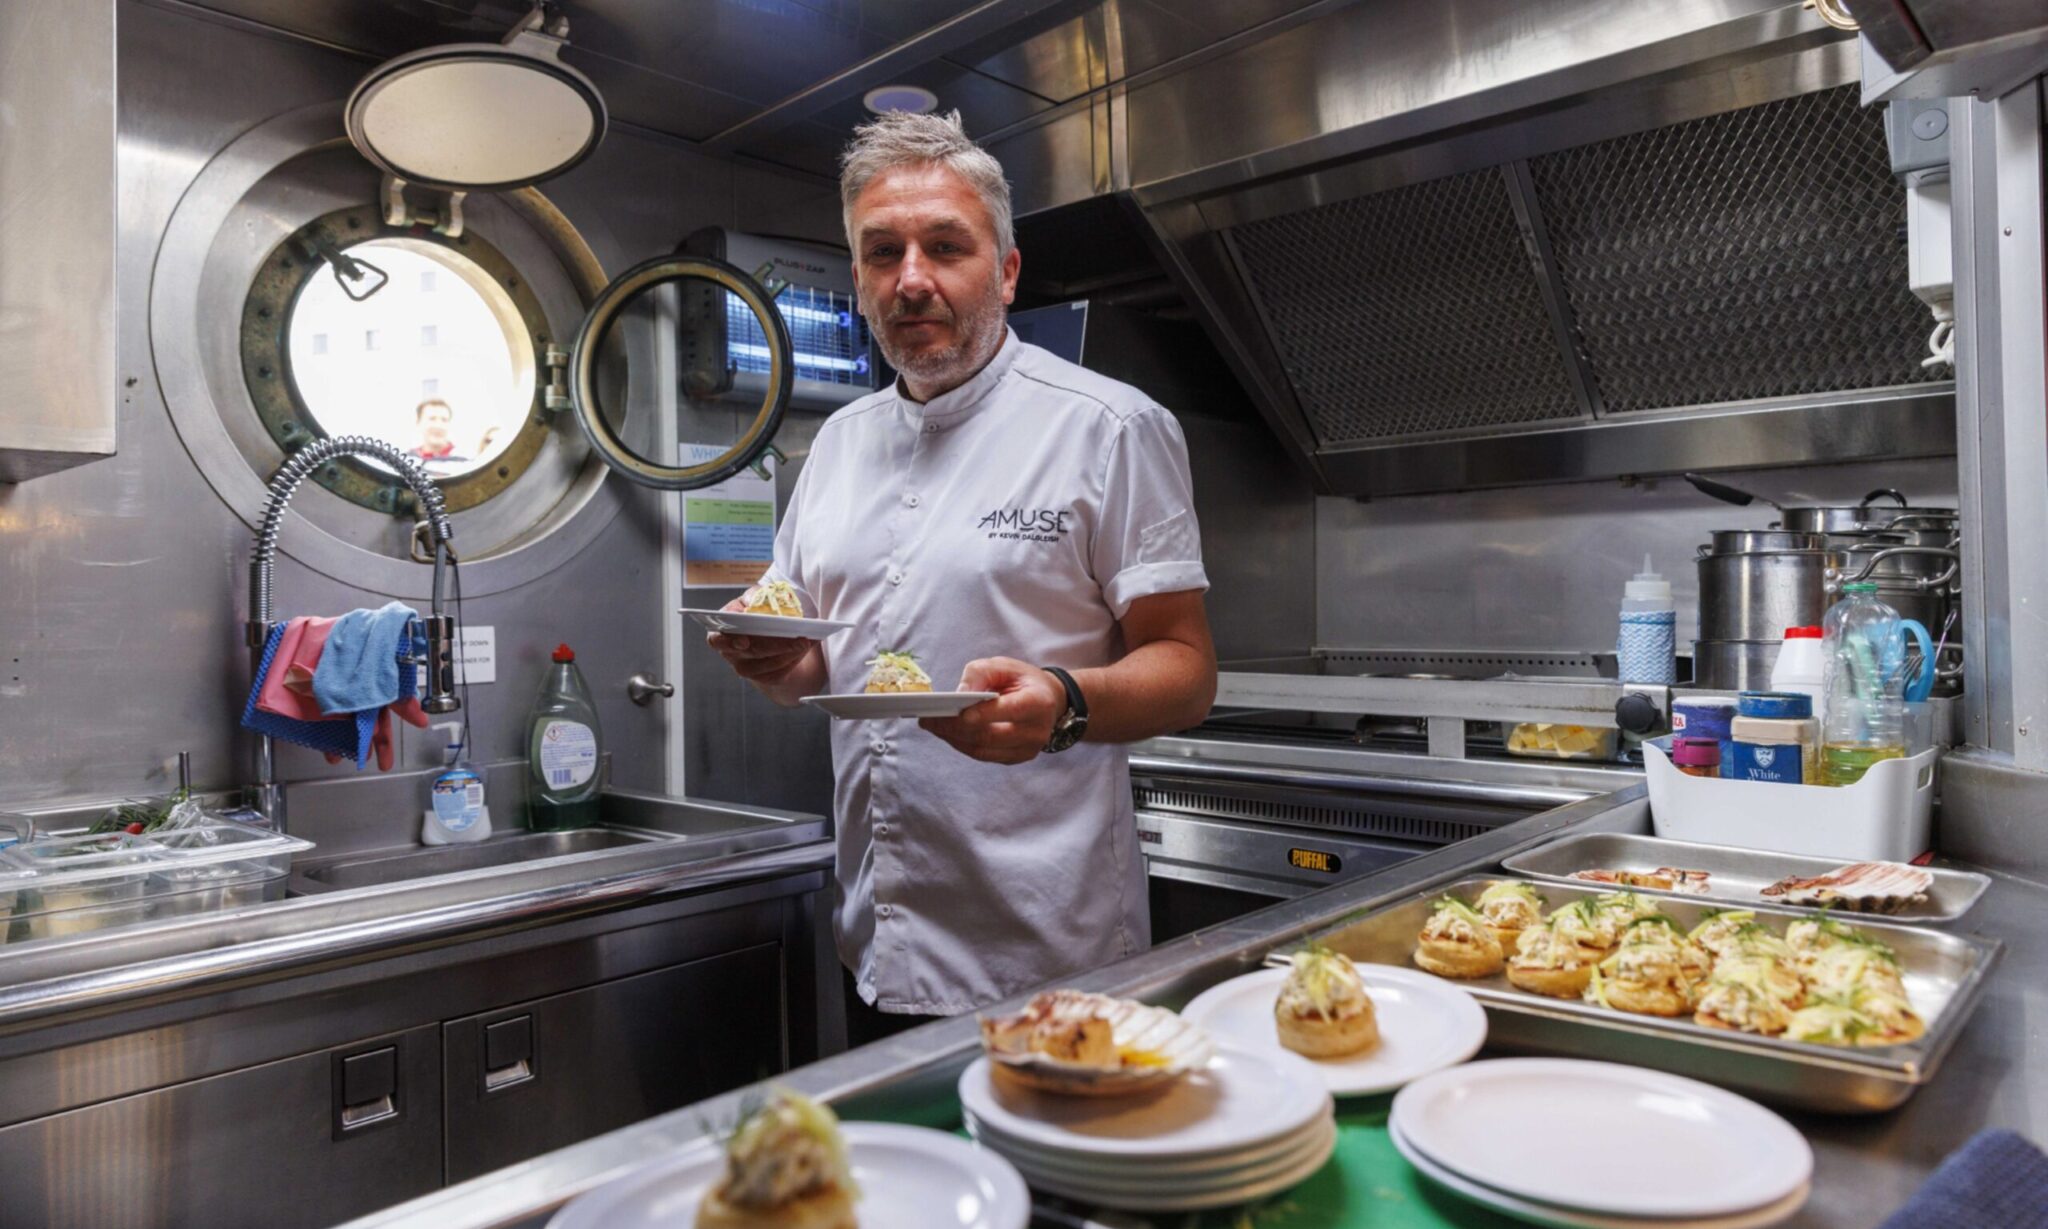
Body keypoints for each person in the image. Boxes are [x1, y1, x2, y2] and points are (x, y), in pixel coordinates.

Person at [707, 110, 1217, 1044]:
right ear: (859, 278)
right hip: (876, 937)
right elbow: (822, 659)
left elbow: (1185, 666)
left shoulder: (1108, 427)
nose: (912, 279)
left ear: (1007, 271)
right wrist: (774, 658)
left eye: (946, 246)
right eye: (881, 252)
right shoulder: (837, 447)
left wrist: (1064, 700)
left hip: (1049, 956)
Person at [408, 398, 468, 466]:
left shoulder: (464, 464)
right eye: (432, 419)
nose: (438, 426)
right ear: (418, 422)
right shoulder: (407, 461)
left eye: (444, 420)